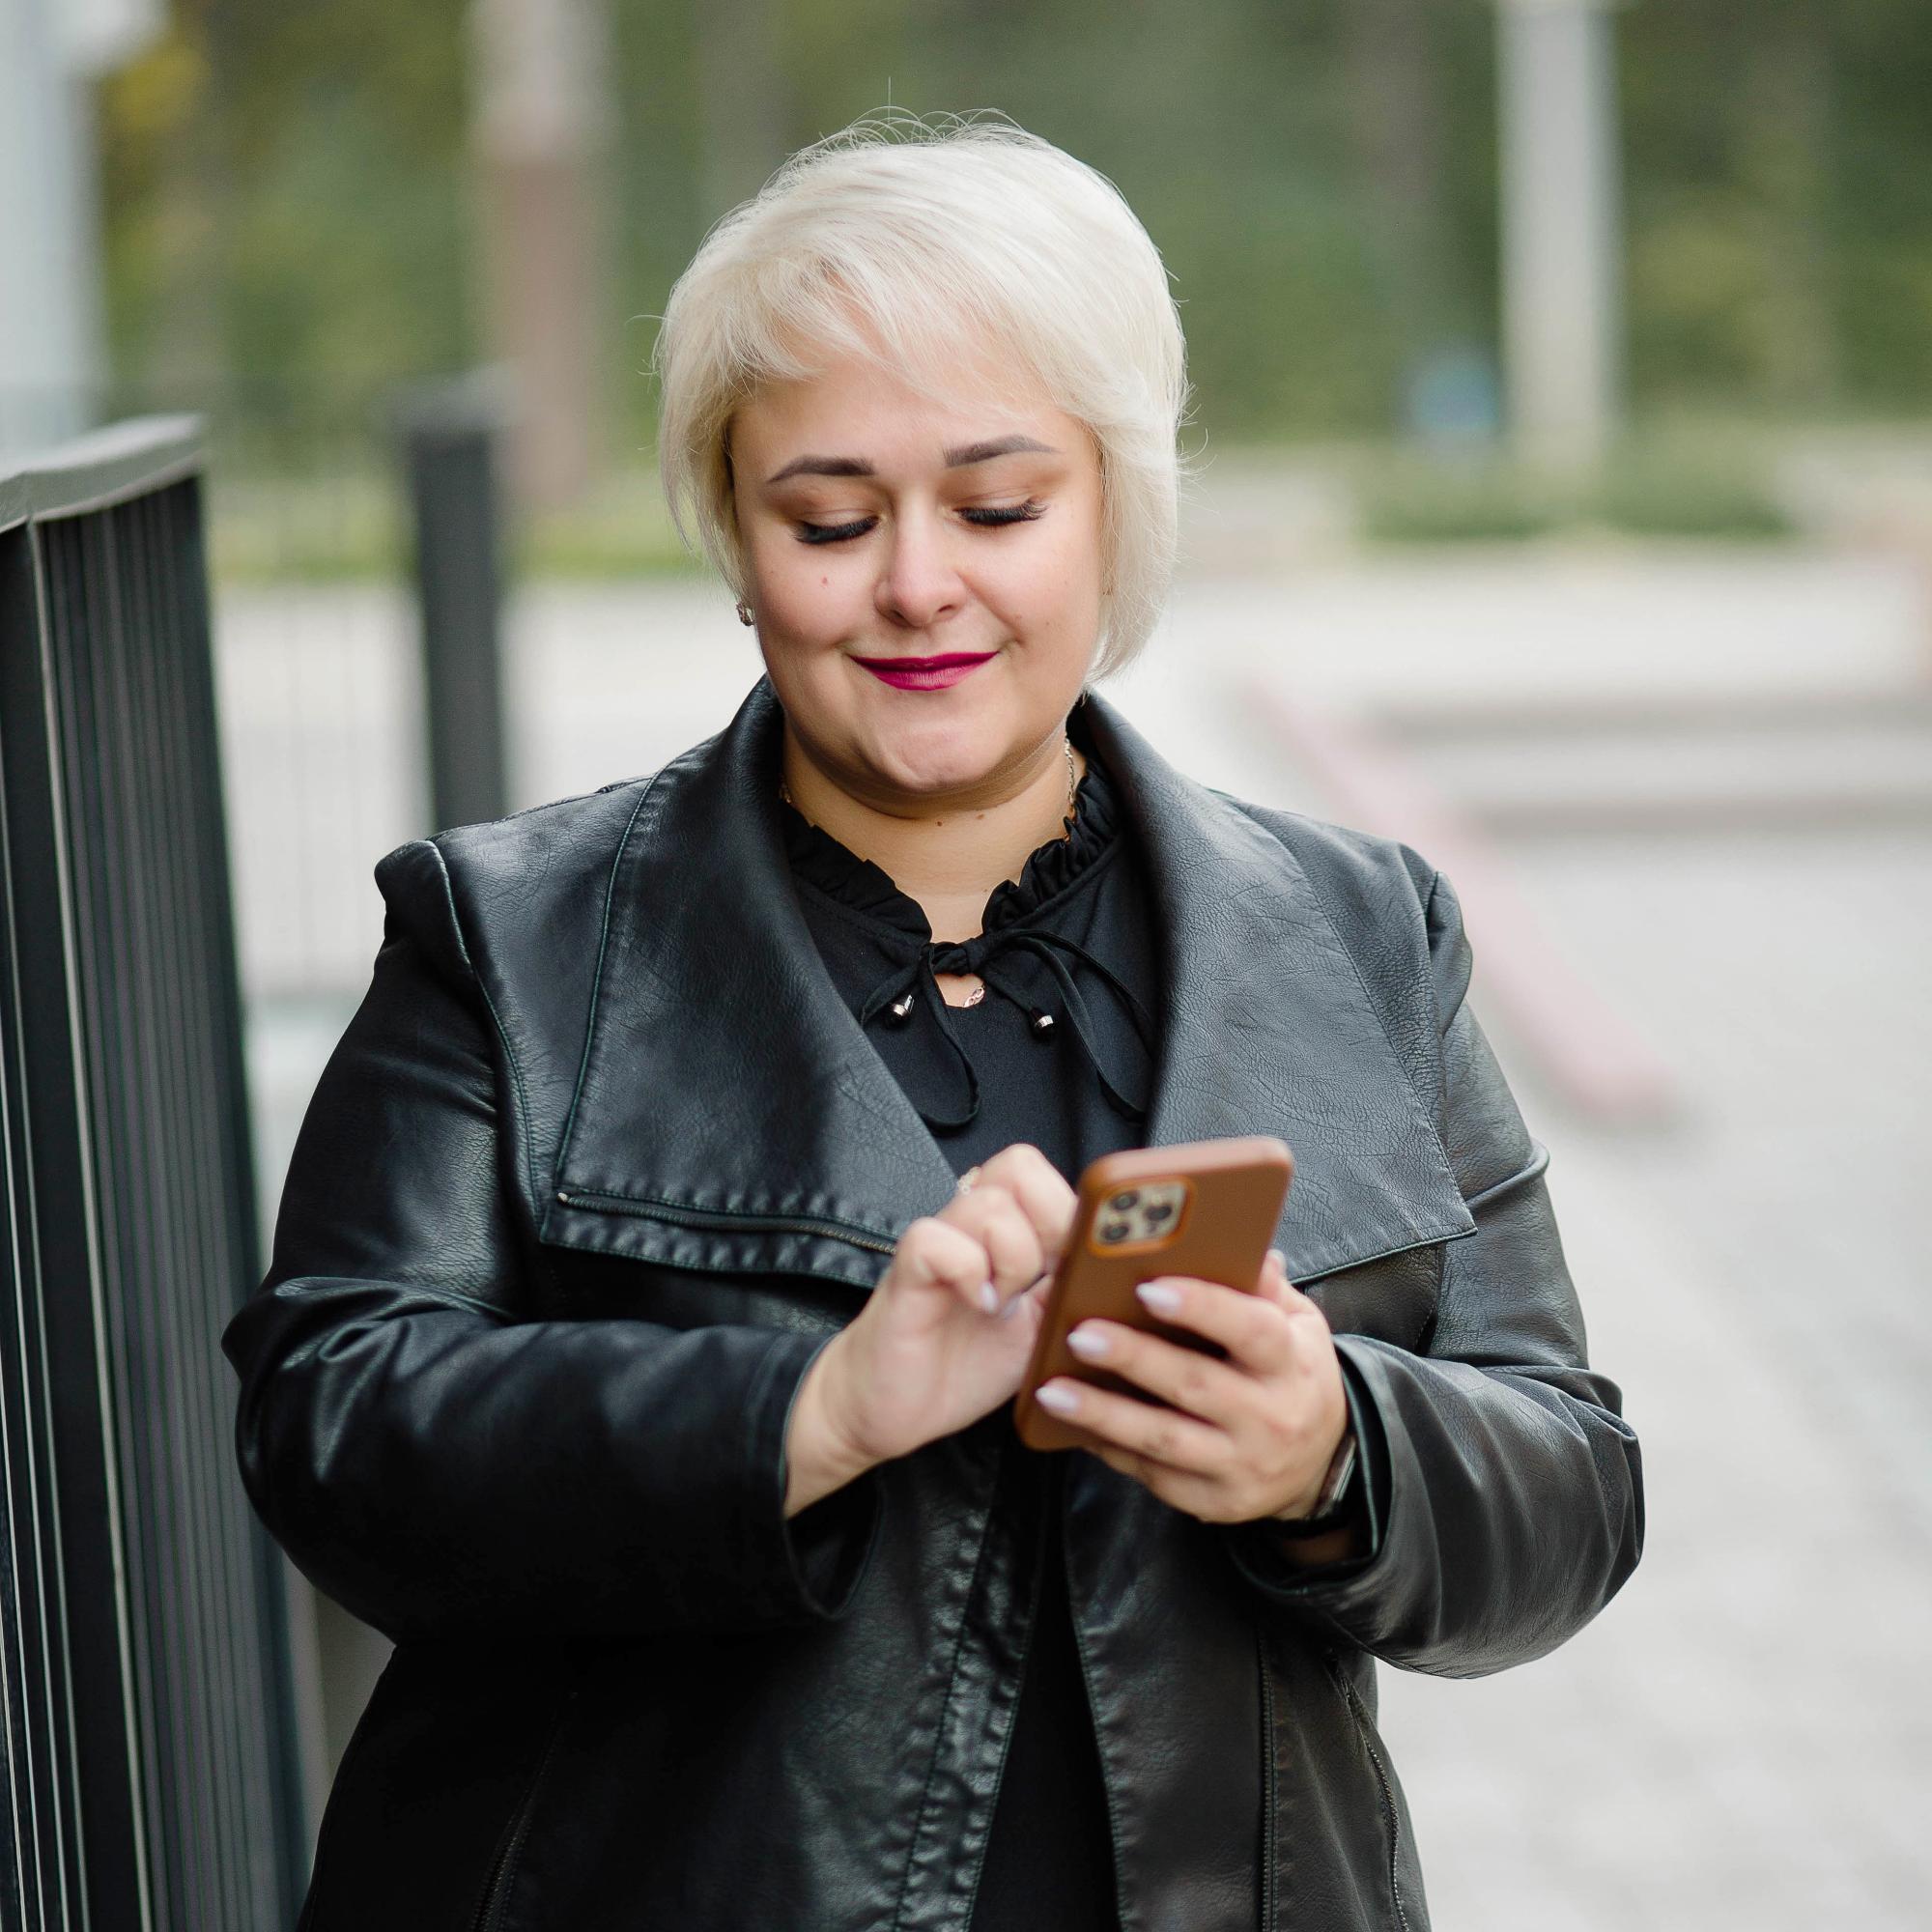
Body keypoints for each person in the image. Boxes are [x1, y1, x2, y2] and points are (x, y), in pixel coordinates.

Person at [223, 110, 1644, 1932]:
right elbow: (333, 1426)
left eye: (996, 505)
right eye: (829, 515)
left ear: (1115, 508)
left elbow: (1572, 1487)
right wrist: (808, 1409)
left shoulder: (1365, 935)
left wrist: (1331, 1451)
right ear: (736, 534)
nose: (915, 584)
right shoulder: (511, 938)